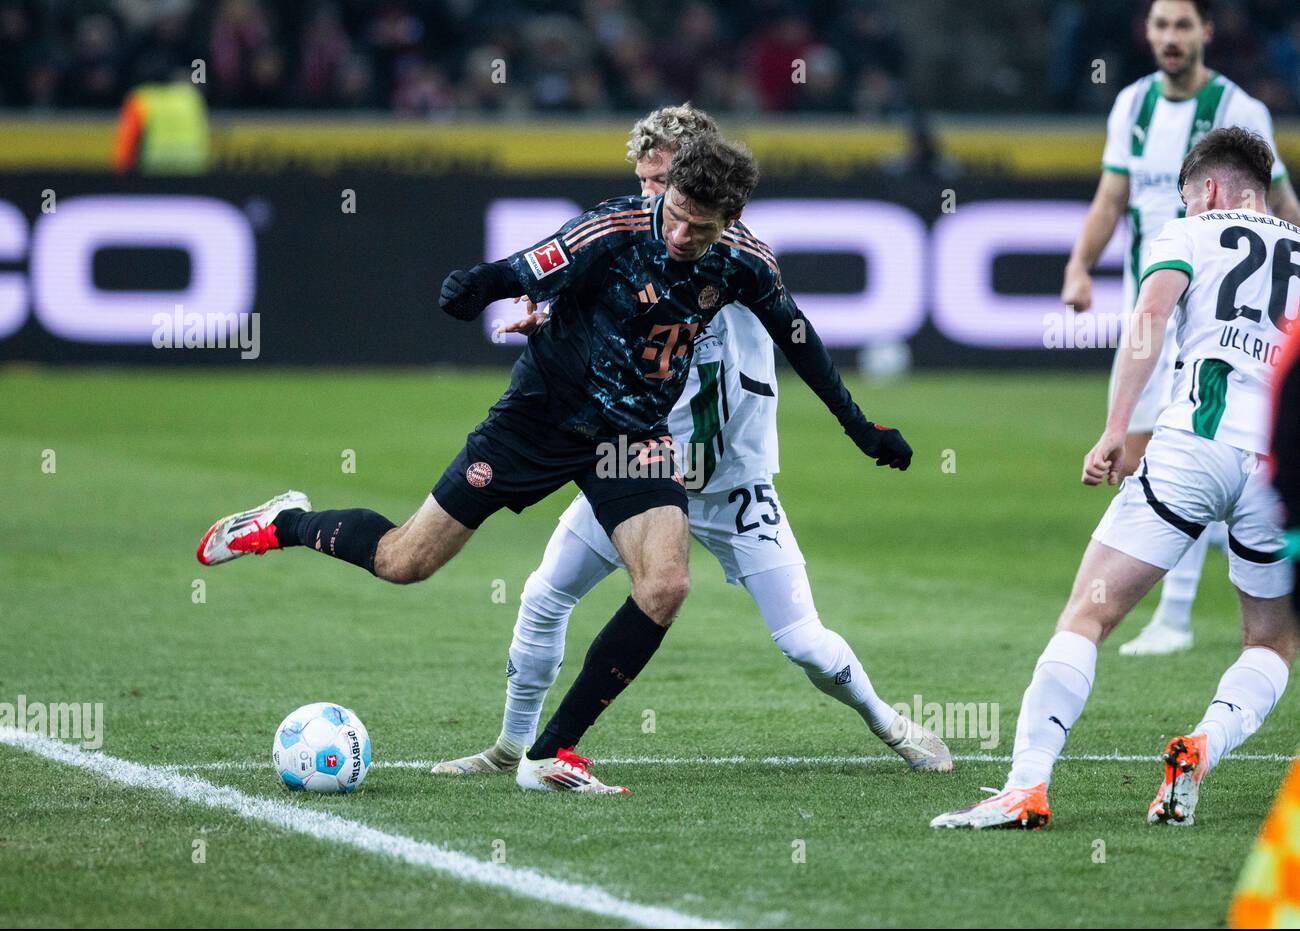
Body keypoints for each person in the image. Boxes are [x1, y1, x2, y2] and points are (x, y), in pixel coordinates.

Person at [197, 131, 914, 795]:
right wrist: (475, 286)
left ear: (733, 218)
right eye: (677, 214)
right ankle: (285, 522)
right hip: (541, 416)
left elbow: (799, 339)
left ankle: (551, 754)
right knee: (405, 561)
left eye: (703, 225)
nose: (682, 233)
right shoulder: (616, 228)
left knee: (664, 585)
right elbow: (524, 266)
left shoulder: (744, 262)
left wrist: (862, 427)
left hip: (631, 435)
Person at [432, 105, 951, 781]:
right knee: (541, 595)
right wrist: (557, 320)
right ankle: (512, 750)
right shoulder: (642, 237)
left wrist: (860, 427)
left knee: (805, 644)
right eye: (645, 183)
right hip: (637, 469)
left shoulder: (728, 260)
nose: (650, 201)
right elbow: (611, 306)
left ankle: (889, 722)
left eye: (663, 181)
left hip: (731, 484)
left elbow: (796, 338)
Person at [934, 127, 1296, 830]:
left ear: (1212, 191)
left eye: (1190, 198)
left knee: (1089, 614)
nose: (1190, 207)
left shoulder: (1191, 232)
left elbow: (1150, 319)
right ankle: (1202, 747)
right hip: (1276, 468)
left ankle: (1026, 787)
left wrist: (1115, 426)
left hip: (1193, 444)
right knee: (1270, 642)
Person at [1061, 0, 1299, 657]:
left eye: (1181, 26)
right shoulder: (1131, 105)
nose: (1169, 37)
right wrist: (1080, 265)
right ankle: (1176, 605)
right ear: (1149, 33)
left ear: (1205, 34)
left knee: (1199, 440)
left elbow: (1279, 203)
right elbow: (1111, 197)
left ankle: (1175, 614)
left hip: (1213, 316)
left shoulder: (1240, 109)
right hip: (1153, 308)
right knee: (1144, 452)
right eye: (1160, 26)